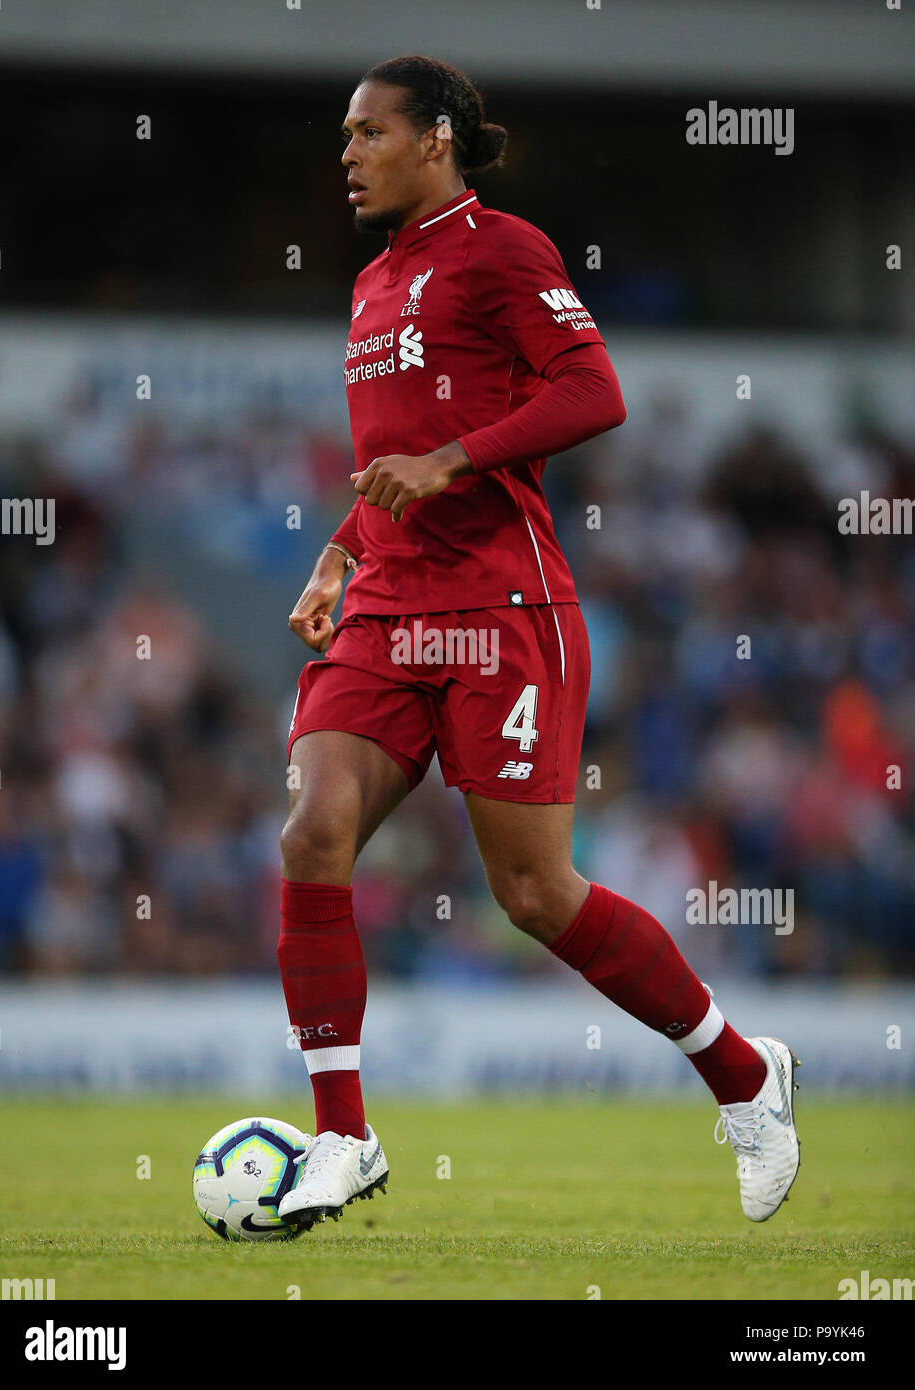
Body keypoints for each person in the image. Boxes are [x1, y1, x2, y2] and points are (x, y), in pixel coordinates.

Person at [276, 54, 800, 1233]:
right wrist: (341, 551)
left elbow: (593, 389)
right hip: (388, 611)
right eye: (344, 135)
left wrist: (456, 461)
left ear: (438, 141)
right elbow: (392, 460)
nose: (347, 153)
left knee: (532, 892)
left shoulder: (502, 247)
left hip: (505, 614)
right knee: (312, 834)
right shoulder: (370, 284)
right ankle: (344, 1138)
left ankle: (744, 1075)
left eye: (369, 132)